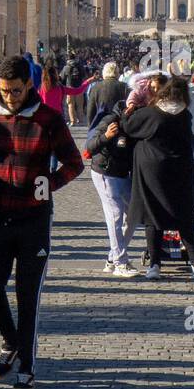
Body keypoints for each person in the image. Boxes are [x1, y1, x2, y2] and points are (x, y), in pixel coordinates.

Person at [0, 56, 84, 389]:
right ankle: (11, 340)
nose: (10, 97)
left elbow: (74, 162)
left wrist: (49, 183)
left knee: (27, 294)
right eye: (4, 91)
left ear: (29, 85)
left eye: (16, 91)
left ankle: (27, 367)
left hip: (34, 218)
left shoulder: (48, 119)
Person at [123, 76, 194, 280]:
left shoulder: (151, 113)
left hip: (153, 170)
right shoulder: (185, 115)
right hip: (181, 170)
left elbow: (129, 126)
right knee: (185, 216)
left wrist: (128, 111)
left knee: (153, 215)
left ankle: (155, 265)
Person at [85, 87, 139, 278]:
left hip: (123, 174)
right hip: (105, 171)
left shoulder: (137, 124)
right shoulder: (110, 120)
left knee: (134, 214)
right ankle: (120, 262)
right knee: (115, 214)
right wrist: (106, 136)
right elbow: (90, 146)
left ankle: (112, 258)